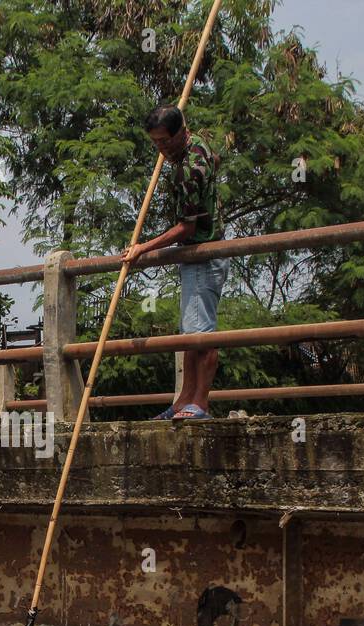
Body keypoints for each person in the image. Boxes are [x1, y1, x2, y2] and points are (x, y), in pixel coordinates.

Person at [121, 104, 228, 421]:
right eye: (156, 143)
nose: (161, 150)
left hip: (203, 252)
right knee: (188, 332)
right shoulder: (199, 144)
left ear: (182, 131)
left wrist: (142, 248)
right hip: (198, 254)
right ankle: (184, 399)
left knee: (200, 333)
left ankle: (200, 403)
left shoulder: (188, 170)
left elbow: (187, 227)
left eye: (165, 142)